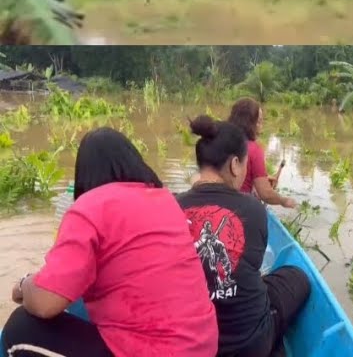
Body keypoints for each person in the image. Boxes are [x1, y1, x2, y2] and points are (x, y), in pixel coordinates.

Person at [2, 128, 217, 357]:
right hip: (202, 345)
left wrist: (24, 284)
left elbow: (46, 302)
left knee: (21, 327)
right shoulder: (167, 200)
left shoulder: (90, 206)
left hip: (154, 350)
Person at [178, 115, 312, 357]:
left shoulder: (172, 208)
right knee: (297, 277)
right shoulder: (254, 209)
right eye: (245, 165)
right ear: (235, 164)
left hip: (190, 344)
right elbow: (249, 269)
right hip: (248, 346)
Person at [228, 97, 297, 209]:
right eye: (259, 121)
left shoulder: (221, 141)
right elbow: (265, 194)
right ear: (250, 123)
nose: (261, 125)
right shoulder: (254, 150)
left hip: (217, 204)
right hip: (239, 209)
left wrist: (261, 178)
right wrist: (284, 201)